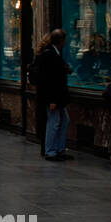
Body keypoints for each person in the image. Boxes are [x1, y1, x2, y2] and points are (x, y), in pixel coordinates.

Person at [32, 29, 73, 161]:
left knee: (63, 120)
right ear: (61, 41)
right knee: (54, 122)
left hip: (57, 96)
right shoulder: (49, 55)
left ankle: (59, 149)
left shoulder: (53, 53)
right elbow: (49, 79)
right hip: (53, 97)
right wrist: (52, 99)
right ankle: (51, 151)